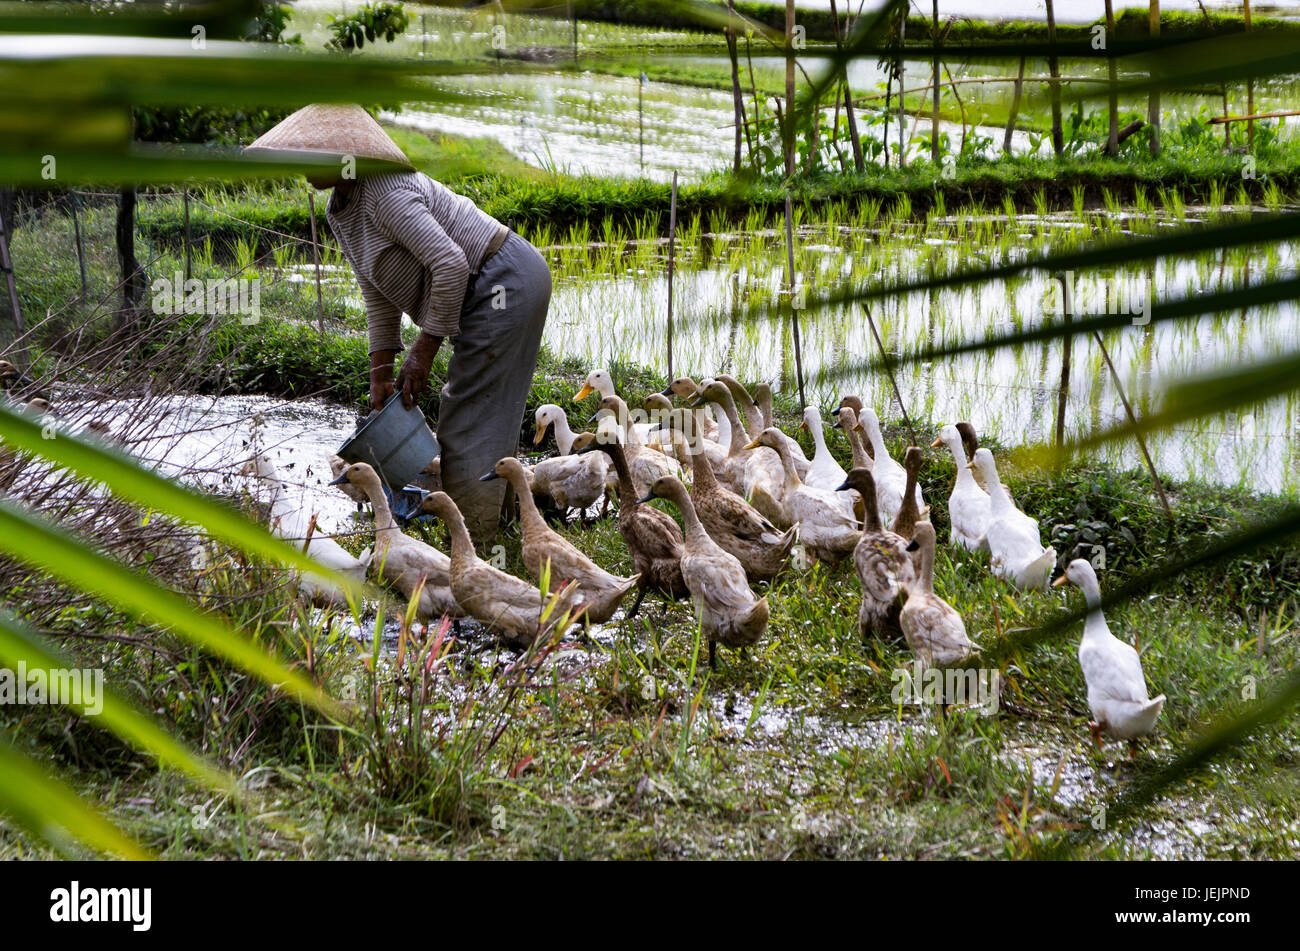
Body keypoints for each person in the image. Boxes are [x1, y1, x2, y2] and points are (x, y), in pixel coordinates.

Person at [245, 104, 550, 545]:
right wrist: (381, 375)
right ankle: (502, 537)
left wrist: (423, 350)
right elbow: (376, 291)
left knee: (466, 424)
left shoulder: (385, 191)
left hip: (503, 281)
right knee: (489, 420)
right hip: (493, 284)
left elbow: (451, 264)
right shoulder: (340, 208)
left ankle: (475, 549)